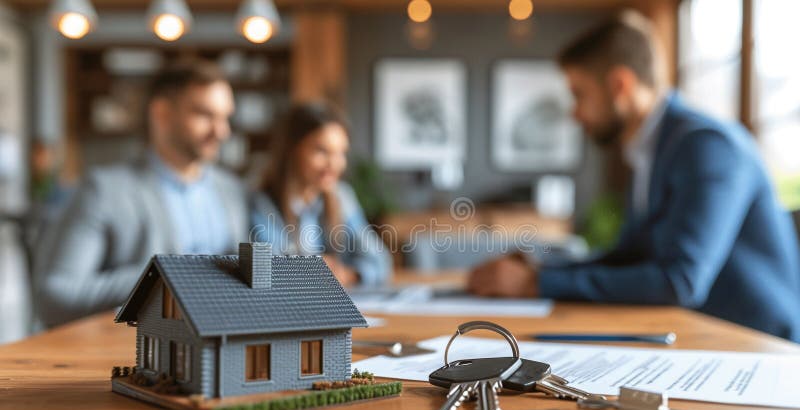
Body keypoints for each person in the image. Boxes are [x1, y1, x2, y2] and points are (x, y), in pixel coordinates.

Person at [467, 12, 800, 341]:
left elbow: (679, 282)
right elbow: (631, 256)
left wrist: (533, 284)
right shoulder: (653, 150)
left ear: (620, 85)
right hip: (700, 335)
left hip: (758, 348)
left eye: (580, 94)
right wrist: (539, 271)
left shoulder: (707, 147)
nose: (574, 113)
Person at [33, 60, 249, 328]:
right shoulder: (104, 190)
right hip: (136, 354)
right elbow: (53, 298)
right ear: (162, 114)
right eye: (205, 115)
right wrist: (161, 279)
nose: (222, 131)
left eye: (225, 117)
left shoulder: (232, 190)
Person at [251, 103, 391, 287]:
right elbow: (270, 267)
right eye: (322, 151)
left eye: (341, 153)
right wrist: (313, 270)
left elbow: (379, 261)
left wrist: (349, 274)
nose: (334, 164)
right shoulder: (262, 202)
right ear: (291, 150)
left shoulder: (341, 196)